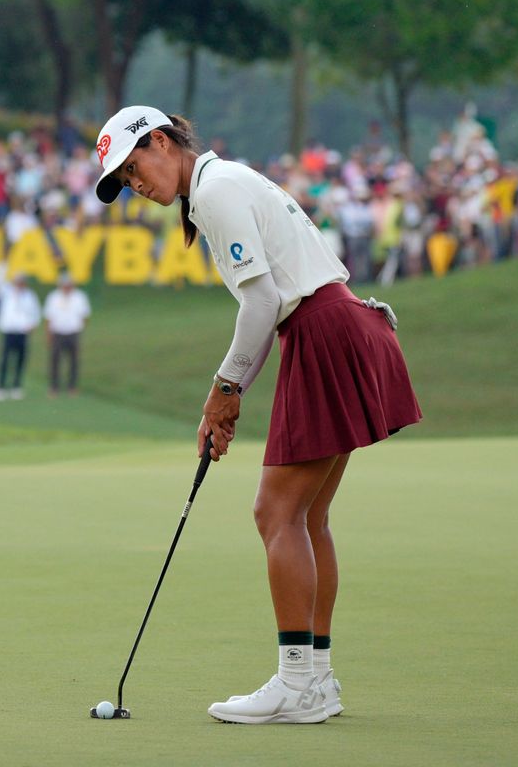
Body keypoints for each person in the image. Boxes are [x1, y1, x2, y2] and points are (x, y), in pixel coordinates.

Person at [92, 104, 421, 725]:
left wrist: (224, 389)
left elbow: (263, 301)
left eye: (135, 169)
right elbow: (268, 308)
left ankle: (297, 683)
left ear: (162, 142)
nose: (137, 186)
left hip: (325, 329)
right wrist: (230, 399)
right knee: (307, 513)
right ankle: (315, 680)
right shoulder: (222, 185)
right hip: (337, 326)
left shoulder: (213, 190)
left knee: (276, 511)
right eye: (125, 183)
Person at [42, 272, 91, 396]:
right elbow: (48, 318)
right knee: (55, 361)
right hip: (57, 333)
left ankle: (72, 386)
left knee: (74, 361)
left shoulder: (79, 297)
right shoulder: (53, 297)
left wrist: (79, 328)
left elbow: (85, 316)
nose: (67, 287)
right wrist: (48, 335)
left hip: (73, 332)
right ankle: (54, 387)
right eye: (64, 285)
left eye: (69, 284)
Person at [0, 269, 40, 400]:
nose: (20, 284)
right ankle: (1, 387)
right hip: (8, 331)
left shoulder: (30, 296)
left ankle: (16, 386)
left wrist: (33, 325)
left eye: (22, 282)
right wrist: (4, 262)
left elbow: (36, 313)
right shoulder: (6, 292)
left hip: (22, 332)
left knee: (21, 360)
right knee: (5, 360)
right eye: (18, 281)